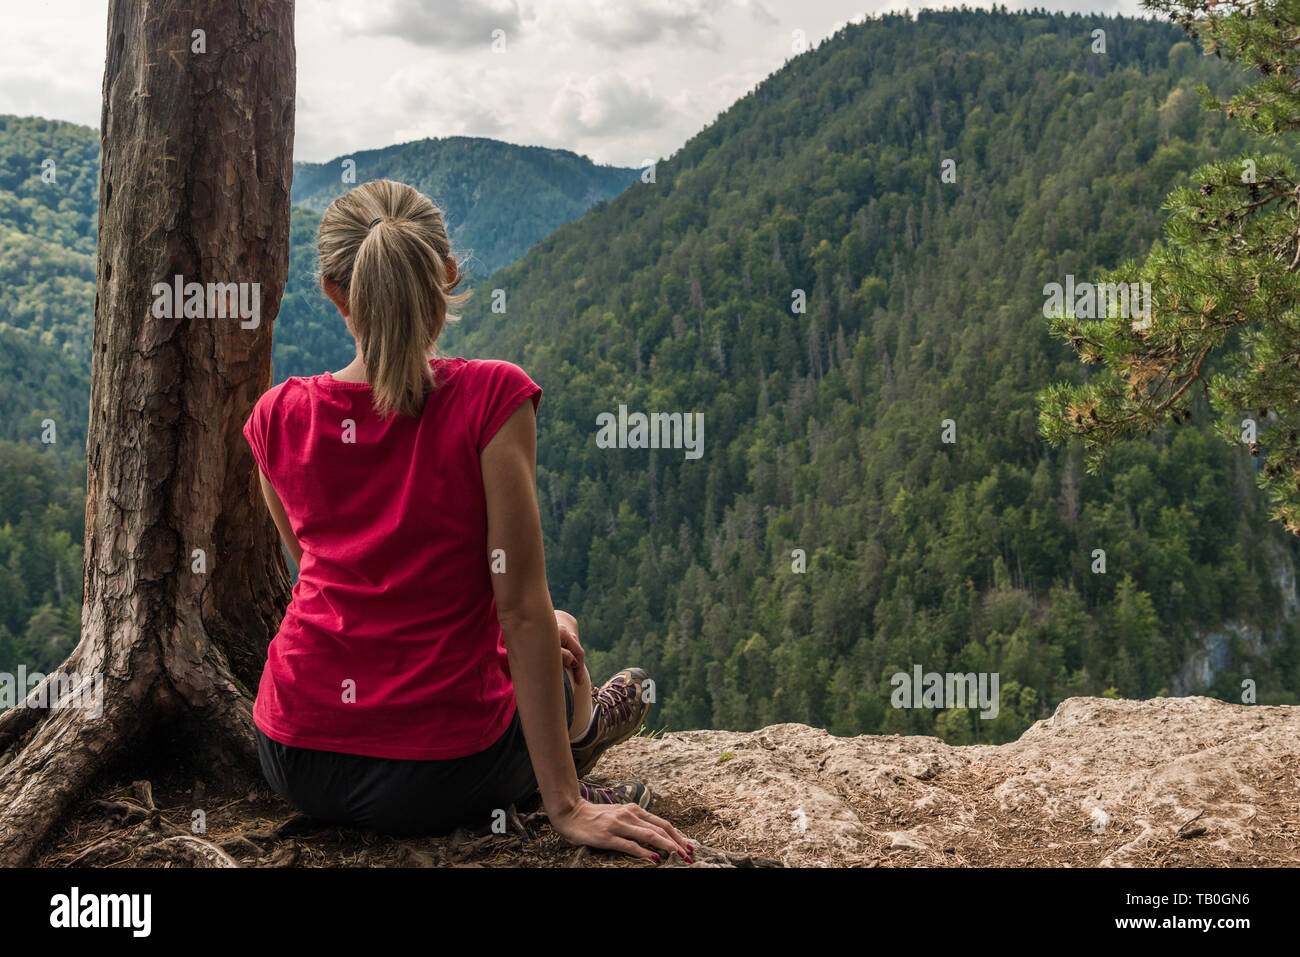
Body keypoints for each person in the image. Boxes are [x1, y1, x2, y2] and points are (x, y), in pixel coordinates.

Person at [242, 179, 691, 863]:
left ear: (334, 291)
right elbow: (519, 607)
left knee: (543, 631)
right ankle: (582, 734)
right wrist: (565, 807)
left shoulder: (276, 415)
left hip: (295, 753)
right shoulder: (491, 397)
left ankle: (579, 724)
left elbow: (317, 574)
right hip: (440, 773)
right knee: (557, 630)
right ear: (447, 275)